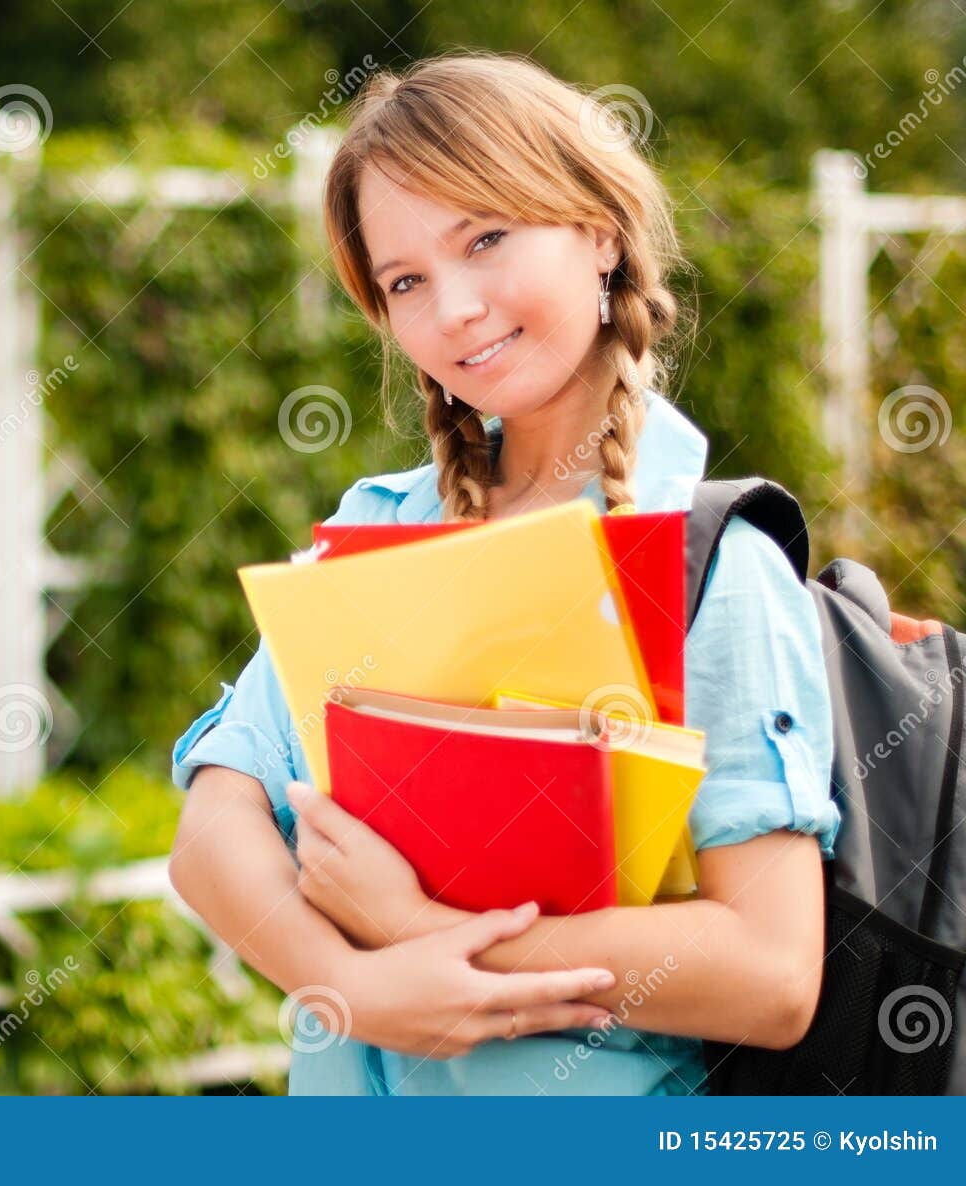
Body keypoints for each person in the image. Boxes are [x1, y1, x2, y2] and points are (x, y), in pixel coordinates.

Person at [166, 51, 841, 1096]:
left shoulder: (712, 562)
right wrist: (354, 985)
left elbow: (771, 972)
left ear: (599, 232)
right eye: (405, 282)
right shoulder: (374, 531)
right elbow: (214, 823)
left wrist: (418, 928)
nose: (454, 309)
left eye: (485, 239)